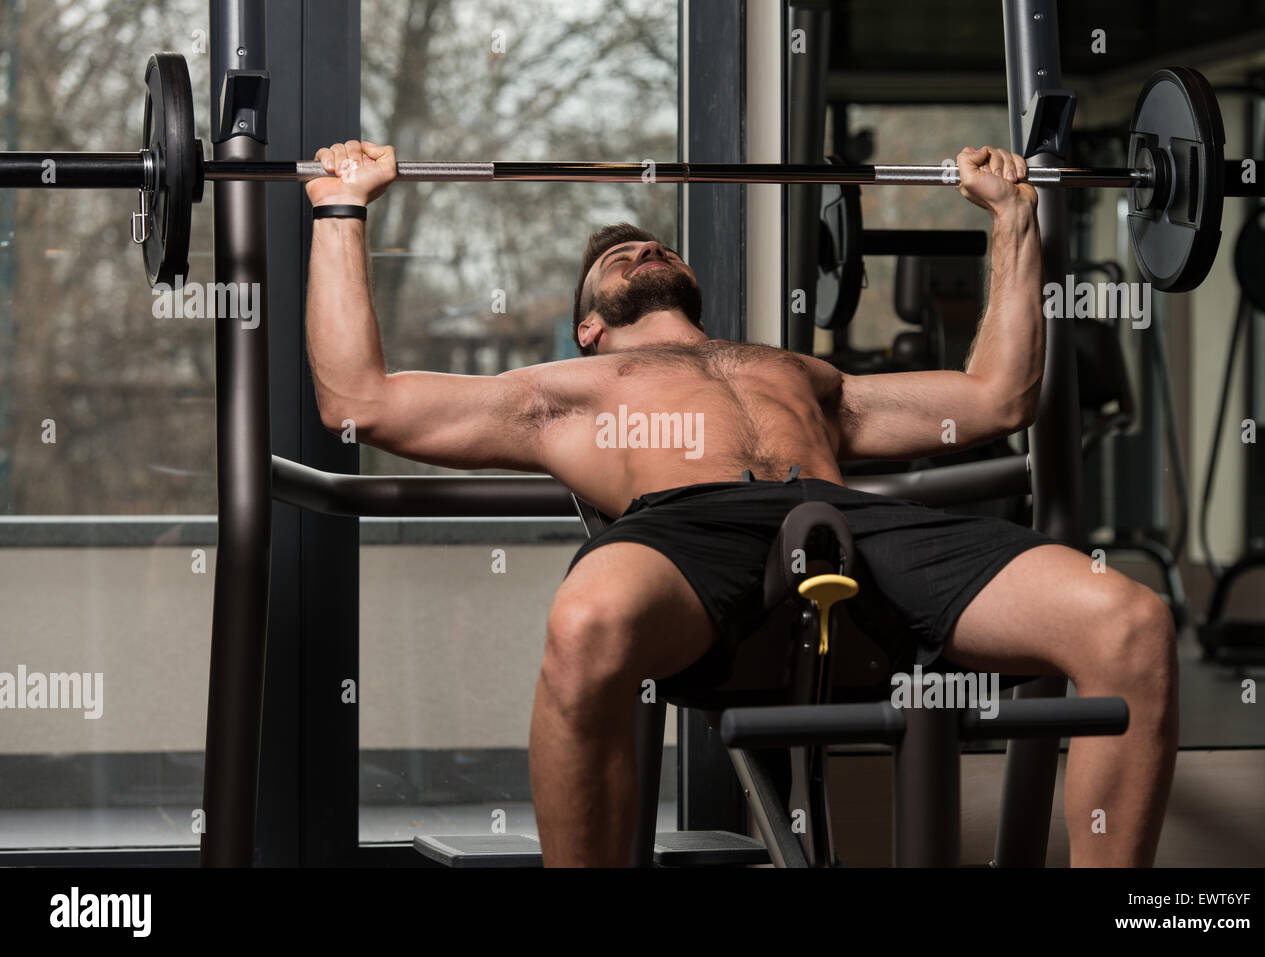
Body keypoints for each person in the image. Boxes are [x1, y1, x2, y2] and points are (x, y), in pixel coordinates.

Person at [303, 140, 1177, 868]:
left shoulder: (794, 370)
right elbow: (359, 402)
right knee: (585, 625)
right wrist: (341, 210)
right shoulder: (565, 388)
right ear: (589, 327)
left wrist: (1014, 220)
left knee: (1128, 621)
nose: (642, 251)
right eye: (615, 259)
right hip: (687, 530)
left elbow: (995, 398)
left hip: (855, 524)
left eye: (655, 247)